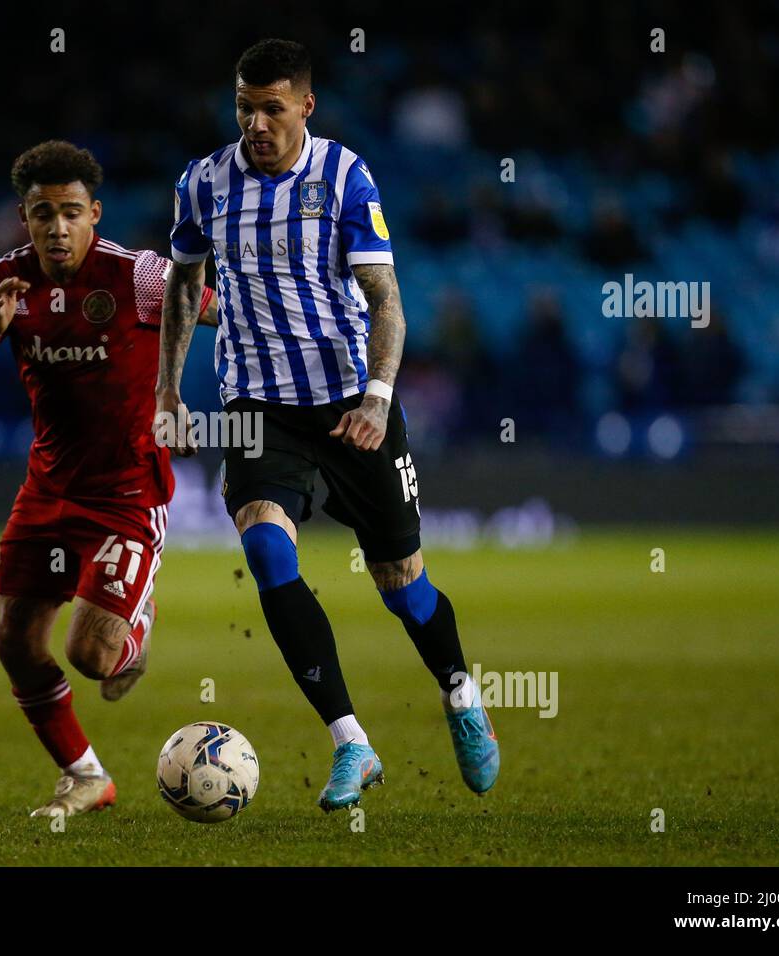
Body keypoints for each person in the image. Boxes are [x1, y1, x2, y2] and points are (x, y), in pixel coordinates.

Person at [156, 39, 499, 812]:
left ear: (305, 106)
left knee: (402, 587)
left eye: (272, 108)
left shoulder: (345, 175)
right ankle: (353, 743)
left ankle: (460, 698)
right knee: (268, 553)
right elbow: (184, 286)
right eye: (245, 108)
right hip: (257, 407)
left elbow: (385, 298)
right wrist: (168, 391)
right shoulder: (203, 182)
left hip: (349, 405)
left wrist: (377, 396)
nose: (255, 123)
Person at [0, 141, 214, 818]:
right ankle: (86, 775)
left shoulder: (138, 276)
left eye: (70, 212)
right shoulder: (1, 280)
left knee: (92, 656)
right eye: (42, 214)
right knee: (13, 639)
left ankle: (134, 629)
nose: (57, 228)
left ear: (94, 213)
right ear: (24, 217)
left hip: (128, 491)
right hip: (48, 489)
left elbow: (213, 307)